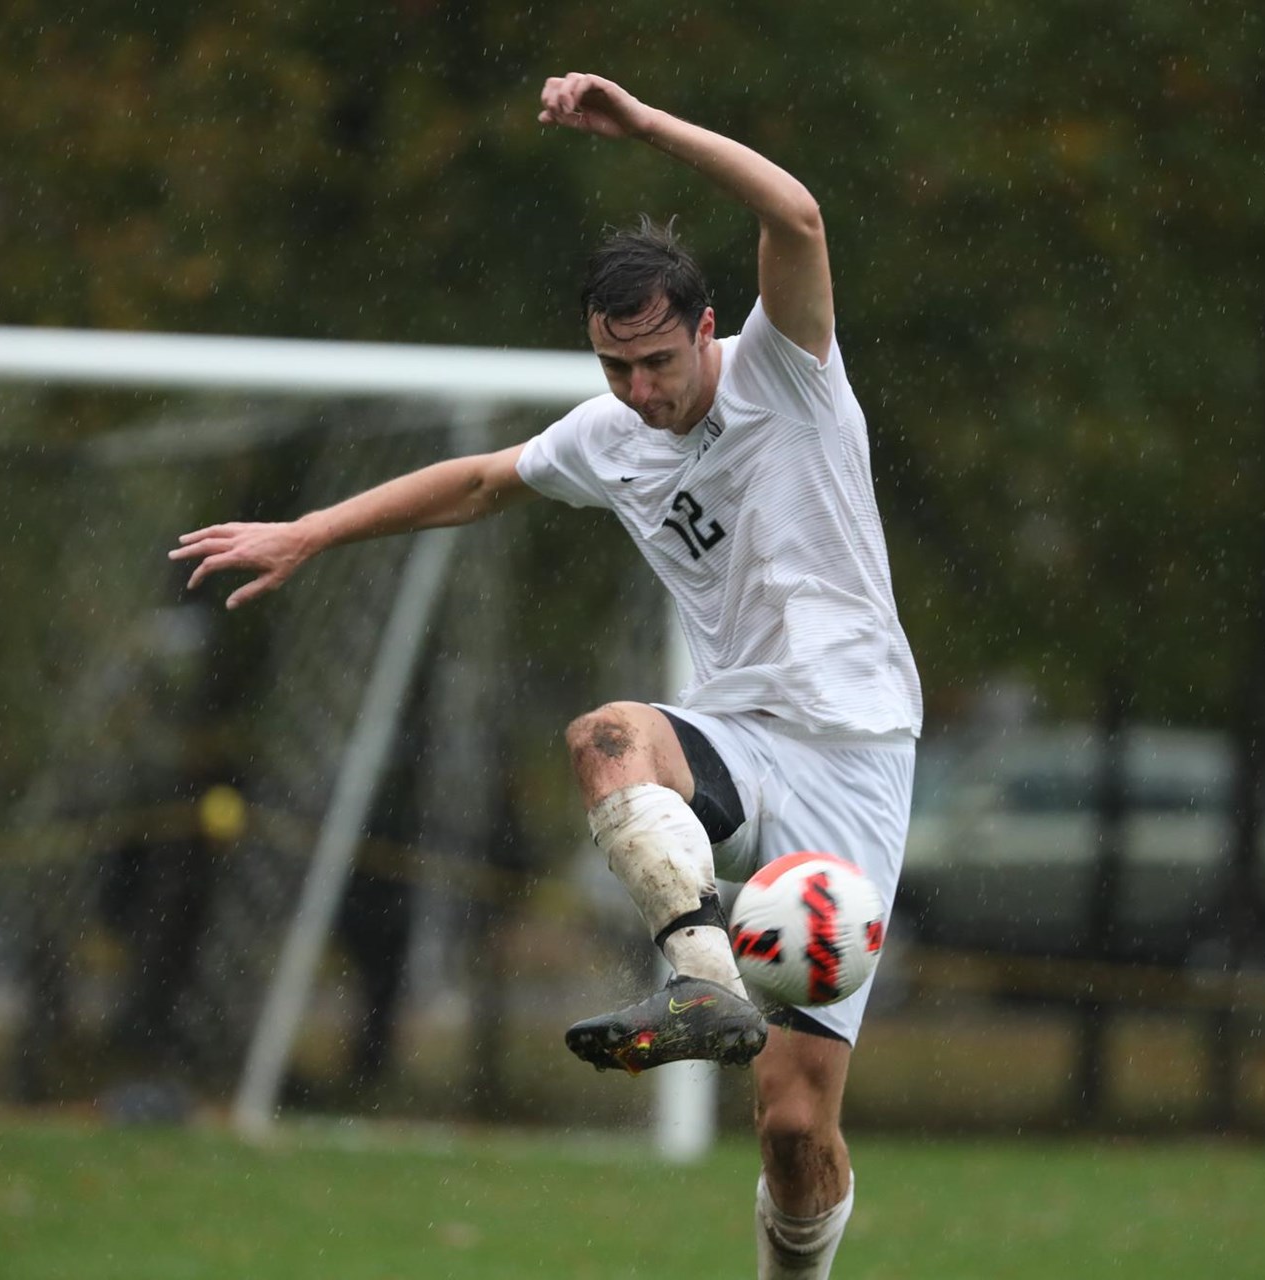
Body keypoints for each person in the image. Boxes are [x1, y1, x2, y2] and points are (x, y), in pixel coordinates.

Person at [173, 73, 919, 1279]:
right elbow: (474, 482)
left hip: (859, 750)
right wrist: (310, 530)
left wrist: (644, 129)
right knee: (606, 737)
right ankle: (698, 976)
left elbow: (800, 217)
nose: (639, 390)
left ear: (707, 326)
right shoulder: (609, 434)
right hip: (740, 730)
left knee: (792, 1125)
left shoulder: (790, 369)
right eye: (614, 365)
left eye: (659, 362)